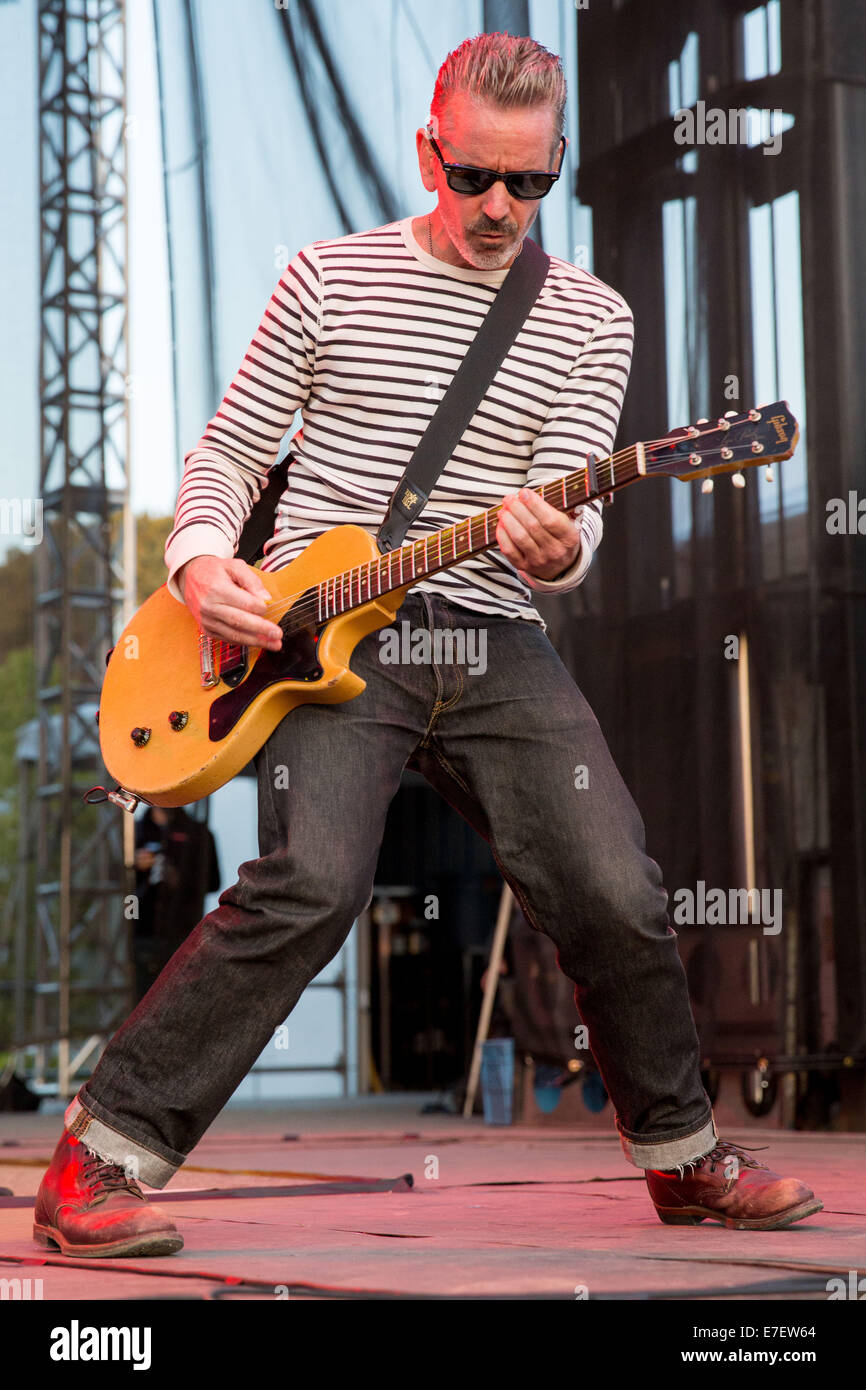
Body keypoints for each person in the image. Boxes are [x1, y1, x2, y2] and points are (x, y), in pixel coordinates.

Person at [33, 32, 821, 1260]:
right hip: (316, 632)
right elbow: (230, 453)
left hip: (489, 629)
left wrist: (552, 543)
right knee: (309, 882)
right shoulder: (324, 277)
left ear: (553, 161)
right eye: (473, 178)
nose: (500, 206)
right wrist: (200, 566)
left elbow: (571, 535)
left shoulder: (586, 319)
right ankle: (103, 1156)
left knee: (614, 884)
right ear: (428, 153)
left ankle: (682, 1157)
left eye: (528, 181)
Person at [131, 805, 221, 1004]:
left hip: (183, 934)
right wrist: (134, 865)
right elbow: (109, 880)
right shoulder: (134, 830)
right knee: (138, 1001)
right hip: (139, 932)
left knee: (179, 1001)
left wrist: (179, 880)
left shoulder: (199, 833)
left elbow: (213, 882)